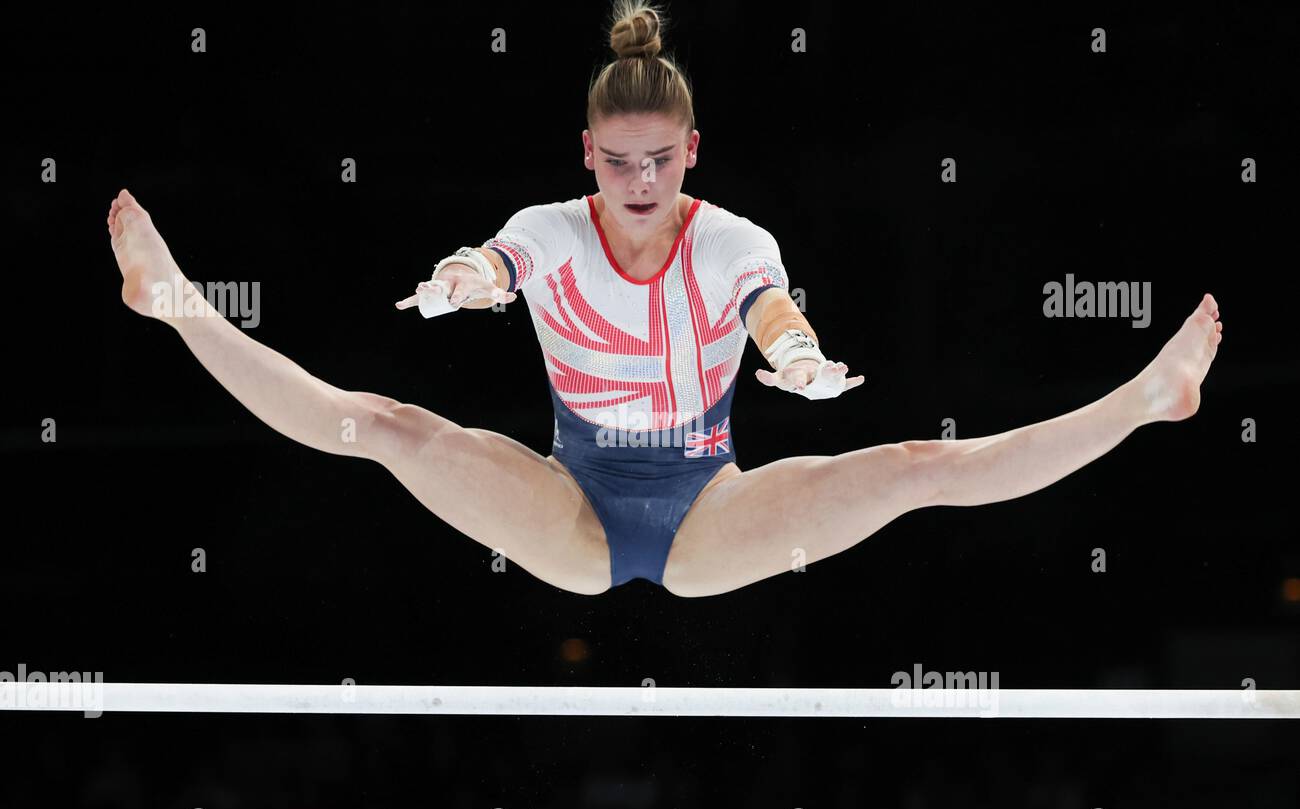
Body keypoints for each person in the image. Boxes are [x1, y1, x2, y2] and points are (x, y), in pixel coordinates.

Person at [105, 0, 1223, 598]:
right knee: (389, 427)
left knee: (915, 469)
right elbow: (496, 267)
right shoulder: (548, 229)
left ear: (691, 149)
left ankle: (1143, 397)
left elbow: (769, 310)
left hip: (708, 507)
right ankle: (179, 303)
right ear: (586, 151)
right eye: (616, 162)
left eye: (660, 162)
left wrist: (793, 356)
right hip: (571, 503)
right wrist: (460, 281)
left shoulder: (734, 239)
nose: (639, 186)